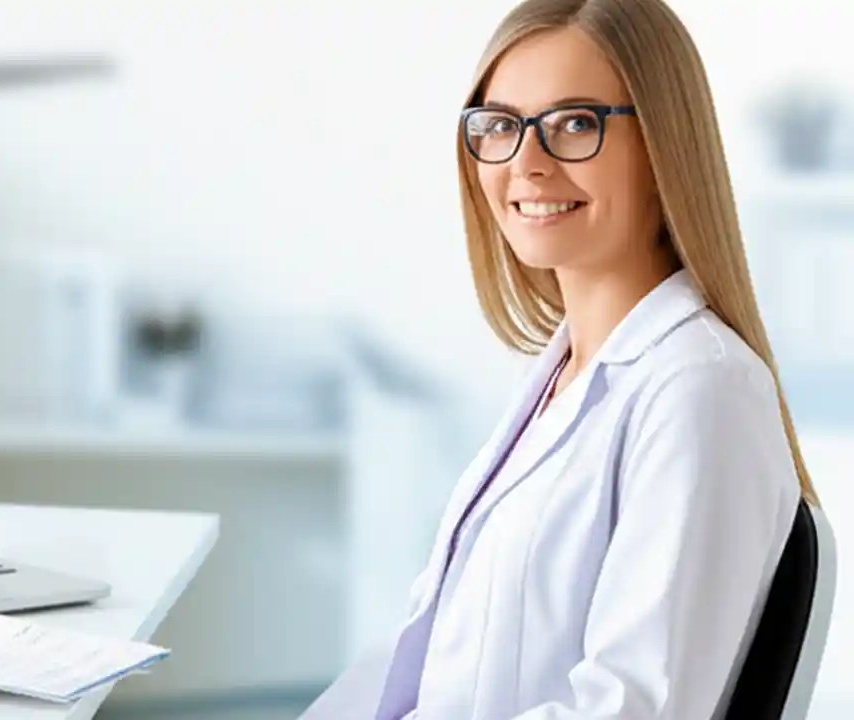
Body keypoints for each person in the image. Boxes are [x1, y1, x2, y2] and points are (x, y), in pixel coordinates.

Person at [299, 0, 817, 717]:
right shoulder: (560, 374)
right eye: (502, 126)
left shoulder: (702, 392)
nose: (526, 164)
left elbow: (634, 708)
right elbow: (427, 655)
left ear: (666, 142)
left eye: (576, 123)